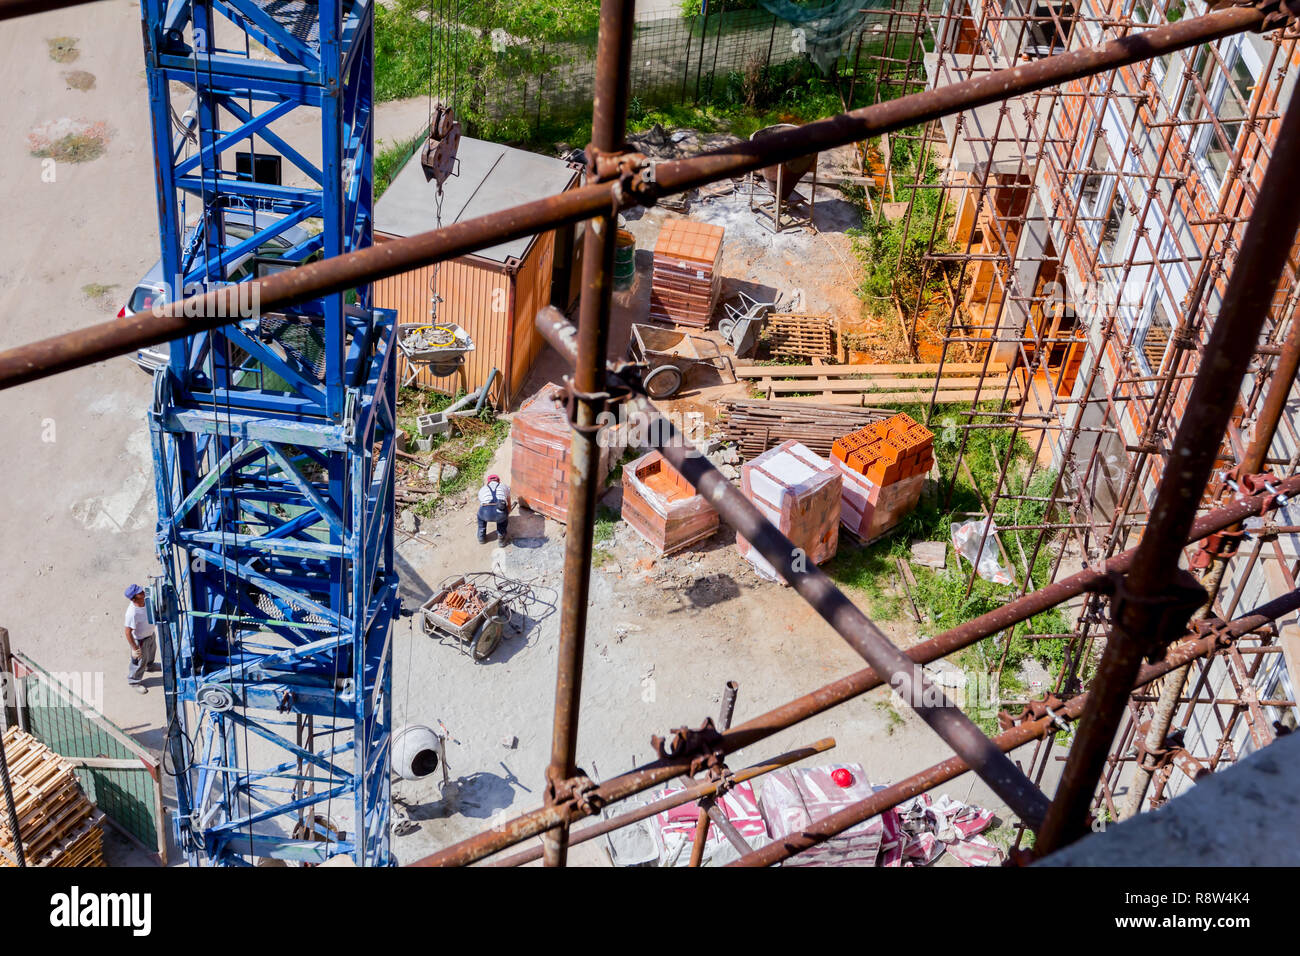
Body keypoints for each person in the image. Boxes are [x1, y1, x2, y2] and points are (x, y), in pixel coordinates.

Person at [123, 583, 157, 695]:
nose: (142, 591)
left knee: (151, 652)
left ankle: (150, 666)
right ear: (134, 598)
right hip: (141, 640)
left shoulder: (146, 601)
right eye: (139, 592)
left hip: (150, 634)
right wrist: (135, 648)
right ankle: (134, 681)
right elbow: (127, 632)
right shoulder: (132, 613)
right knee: (139, 661)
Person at [477, 474, 511, 546]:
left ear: (488, 482)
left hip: (485, 512)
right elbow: (508, 499)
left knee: (480, 517)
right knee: (502, 520)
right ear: (498, 481)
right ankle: (501, 539)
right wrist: (508, 510)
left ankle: (481, 537)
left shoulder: (482, 489)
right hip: (500, 512)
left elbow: (481, 502)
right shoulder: (504, 486)